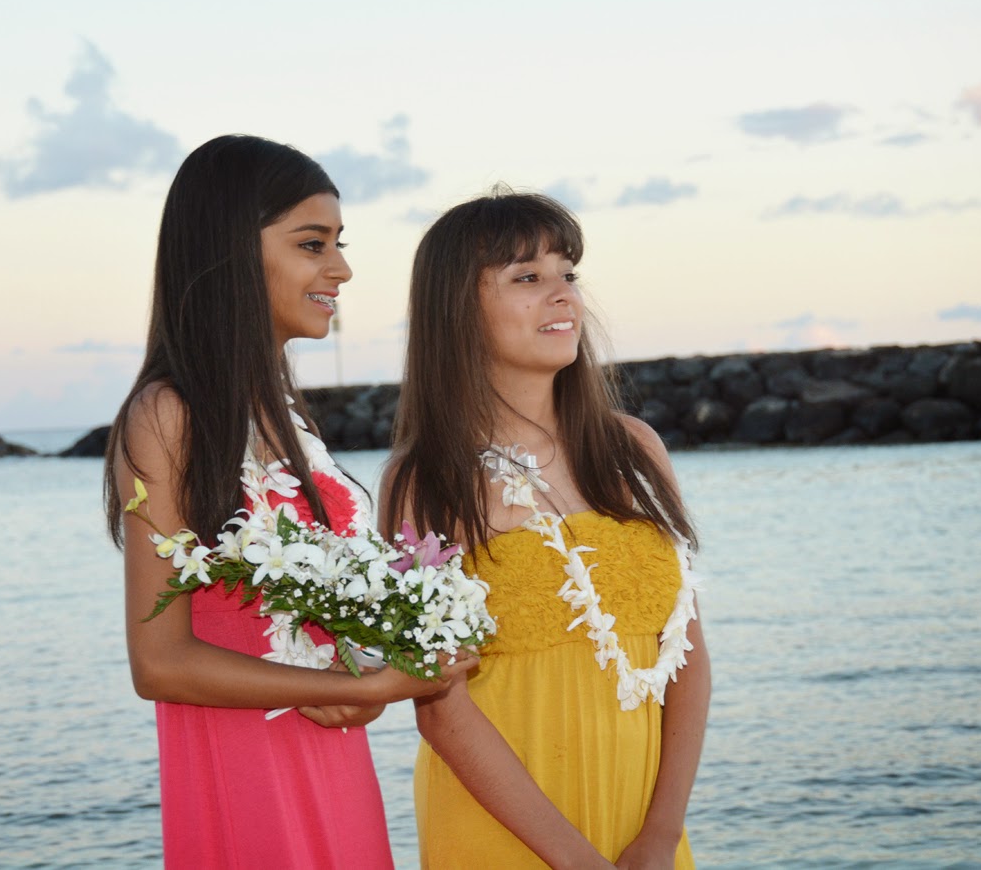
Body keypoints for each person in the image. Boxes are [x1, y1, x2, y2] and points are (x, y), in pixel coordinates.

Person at [104, 134, 474, 868]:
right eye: (313, 244)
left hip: (330, 759)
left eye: (338, 243)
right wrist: (378, 682)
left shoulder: (288, 419)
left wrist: (374, 673)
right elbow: (160, 660)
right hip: (246, 771)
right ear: (230, 250)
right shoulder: (168, 416)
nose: (340, 269)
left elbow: (317, 617)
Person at [380, 191, 711, 869]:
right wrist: (576, 861)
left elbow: (689, 656)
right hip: (506, 830)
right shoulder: (428, 481)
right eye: (527, 278)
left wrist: (659, 833)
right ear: (458, 310)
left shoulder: (636, 449)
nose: (561, 295)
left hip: (642, 831)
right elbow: (439, 701)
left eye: (568, 274)